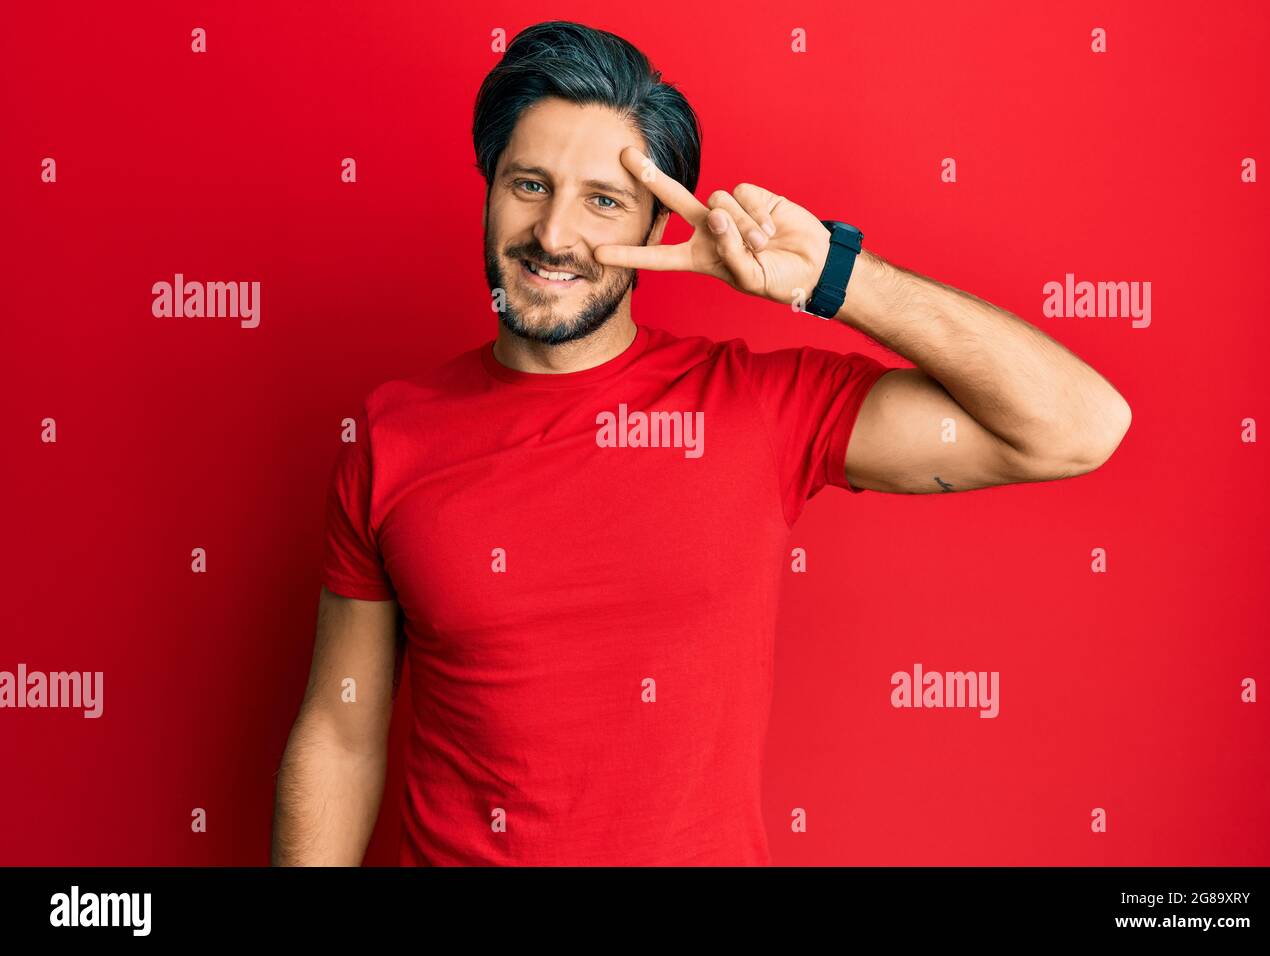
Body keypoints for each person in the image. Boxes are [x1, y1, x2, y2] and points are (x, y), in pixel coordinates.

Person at [271, 20, 1130, 866]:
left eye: (604, 201)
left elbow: (1077, 428)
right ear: (490, 185)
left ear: (656, 229)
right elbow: (343, 733)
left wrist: (834, 275)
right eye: (529, 184)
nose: (556, 235)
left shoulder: (758, 405)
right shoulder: (394, 434)